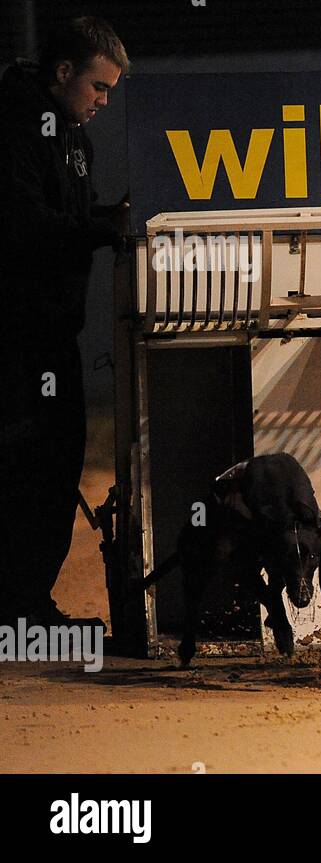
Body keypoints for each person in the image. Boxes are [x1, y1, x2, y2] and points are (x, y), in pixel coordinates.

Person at [0, 17, 130, 627]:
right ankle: (15, 611)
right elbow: (25, 230)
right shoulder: (14, 128)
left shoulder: (74, 134)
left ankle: (27, 606)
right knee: (23, 469)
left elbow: (65, 218)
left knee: (55, 467)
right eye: (97, 87)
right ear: (62, 73)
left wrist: (108, 220)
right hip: (14, 341)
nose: (104, 101)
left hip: (54, 338)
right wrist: (98, 230)